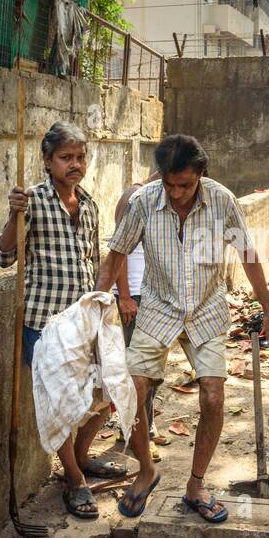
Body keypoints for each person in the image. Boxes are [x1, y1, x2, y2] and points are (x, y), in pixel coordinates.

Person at [95, 135, 269, 523]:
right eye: (170, 184)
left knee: (213, 398)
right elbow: (115, 255)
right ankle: (147, 470)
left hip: (206, 310)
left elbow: (248, 257)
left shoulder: (222, 201)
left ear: (201, 174)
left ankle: (196, 485)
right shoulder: (144, 202)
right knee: (132, 390)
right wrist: (95, 306)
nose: (177, 193)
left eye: (186, 184)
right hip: (159, 306)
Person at [0, 121, 126, 520]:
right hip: (43, 320)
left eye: (80, 157)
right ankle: (73, 479)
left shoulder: (88, 204)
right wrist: (11, 216)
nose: (75, 164)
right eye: (66, 158)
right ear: (48, 161)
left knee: (107, 390)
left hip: (85, 317)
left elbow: (94, 261)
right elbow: (4, 257)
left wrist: (108, 303)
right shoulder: (31, 201)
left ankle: (82, 457)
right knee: (58, 404)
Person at [113, 175, 161, 442]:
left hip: (150, 295)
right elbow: (118, 249)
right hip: (134, 294)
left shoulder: (156, 198)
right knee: (136, 369)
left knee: (148, 368)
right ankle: (132, 431)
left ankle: (146, 425)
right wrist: (124, 296)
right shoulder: (134, 195)